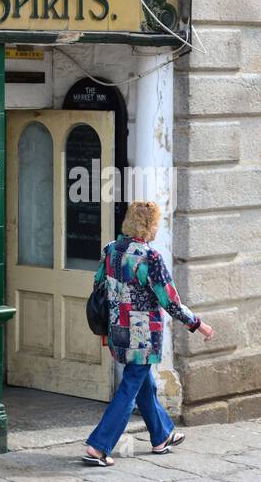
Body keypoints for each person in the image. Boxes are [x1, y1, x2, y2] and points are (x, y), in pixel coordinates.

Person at [83, 200, 214, 467]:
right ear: (150, 225)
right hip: (143, 337)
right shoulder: (149, 257)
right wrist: (197, 324)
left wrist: (106, 328)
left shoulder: (110, 250)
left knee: (144, 383)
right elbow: (170, 301)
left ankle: (161, 436)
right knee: (130, 388)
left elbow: (98, 286)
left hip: (118, 329)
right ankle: (98, 446)